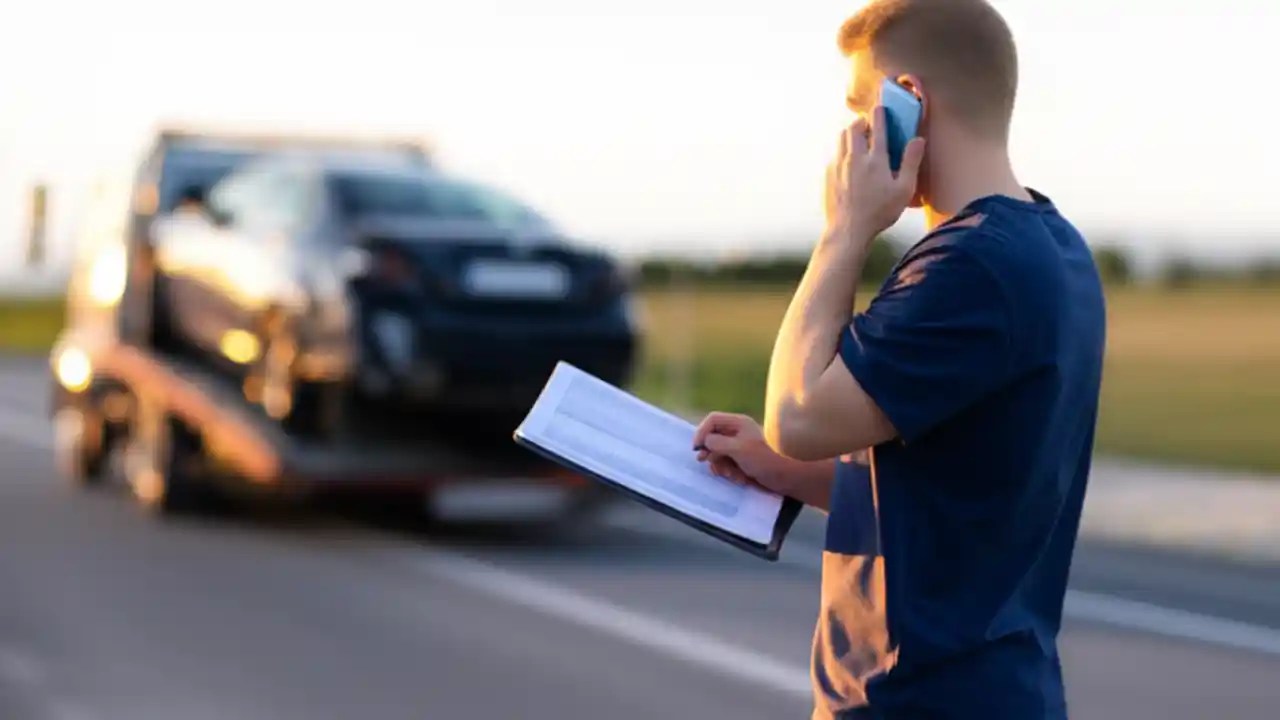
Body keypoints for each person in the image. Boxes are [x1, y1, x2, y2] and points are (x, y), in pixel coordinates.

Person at [692, 0, 1106, 717]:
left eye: (862, 106)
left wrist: (845, 231)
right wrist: (778, 466)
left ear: (907, 100)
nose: (853, 132)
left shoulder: (971, 267)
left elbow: (797, 412)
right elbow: (961, 490)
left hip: (920, 700)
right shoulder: (1051, 245)